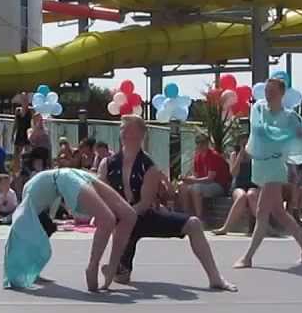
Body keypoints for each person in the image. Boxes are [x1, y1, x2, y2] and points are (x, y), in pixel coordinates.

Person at [101, 115, 237, 292]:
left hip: (142, 216)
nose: (123, 132)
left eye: (128, 128)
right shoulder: (108, 163)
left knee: (194, 224)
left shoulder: (148, 166)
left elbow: (144, 204)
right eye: (122, 129)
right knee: (123, 277)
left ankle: (216, 278)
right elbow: (101, 194)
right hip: (120, 220)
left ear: (140, 134)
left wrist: (126, 214)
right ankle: (119, 268)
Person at [234, 78, 302, 268]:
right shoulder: (258, 108)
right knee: (279, 212)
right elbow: (259, 129)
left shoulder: (290, 117)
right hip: (259, 165)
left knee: (262, 211)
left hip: (275, 166)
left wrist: (301, 138)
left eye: (272, 90)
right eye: (267, 89)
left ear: (281, 94)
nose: (268, 93)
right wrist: (281, 134)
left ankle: (248, 257)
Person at [3, 167, 137, 291]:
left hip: (67, 177)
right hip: (74, 174)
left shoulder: (26, 209)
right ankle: (110, 268)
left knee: (108, 219)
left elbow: (15, 240)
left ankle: (95, 267)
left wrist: (15, 274)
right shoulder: (35, 205)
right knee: (129, 215)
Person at [178, 133, 231, 219]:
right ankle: (186, 215)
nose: (200, 145)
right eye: (198, 142)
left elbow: (210, 179)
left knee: (196, 188)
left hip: (219, 185)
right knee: (182, 186)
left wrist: (193, 181)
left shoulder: (213, 156)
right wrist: (186, 179)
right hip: (205, 184)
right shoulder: (198, 157)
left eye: (203, 142)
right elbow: (196, 176)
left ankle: (199, 217)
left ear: (207, 143)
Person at [214, 134, 258, 236]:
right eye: (243, 143)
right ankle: (226, 227)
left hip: (253, 185)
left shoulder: (256, 154)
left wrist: (251, 157)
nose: (245, 144)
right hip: (239, 185)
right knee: (242, 196)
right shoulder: (234, 154)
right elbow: (233, 173)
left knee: (251, 195)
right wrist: (240, 157)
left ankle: (263, 225)